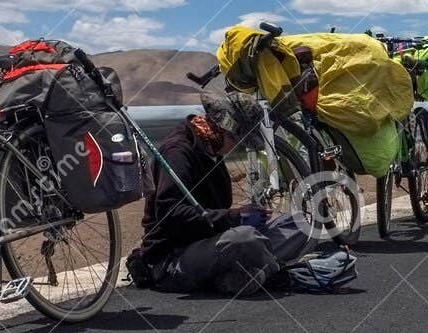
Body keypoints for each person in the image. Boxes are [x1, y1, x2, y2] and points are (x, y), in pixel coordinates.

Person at [126, 93, 355, 294]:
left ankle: (247, 272)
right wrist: (234, 218)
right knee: (245, 238)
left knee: (298, 224)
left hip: (210, 242)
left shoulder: (211, 148)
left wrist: (241, 219)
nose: (240, 147)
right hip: (173, 259)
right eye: (239, 140)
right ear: (225, 127)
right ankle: (276, 273)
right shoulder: (178, 153)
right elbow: (172, 218)